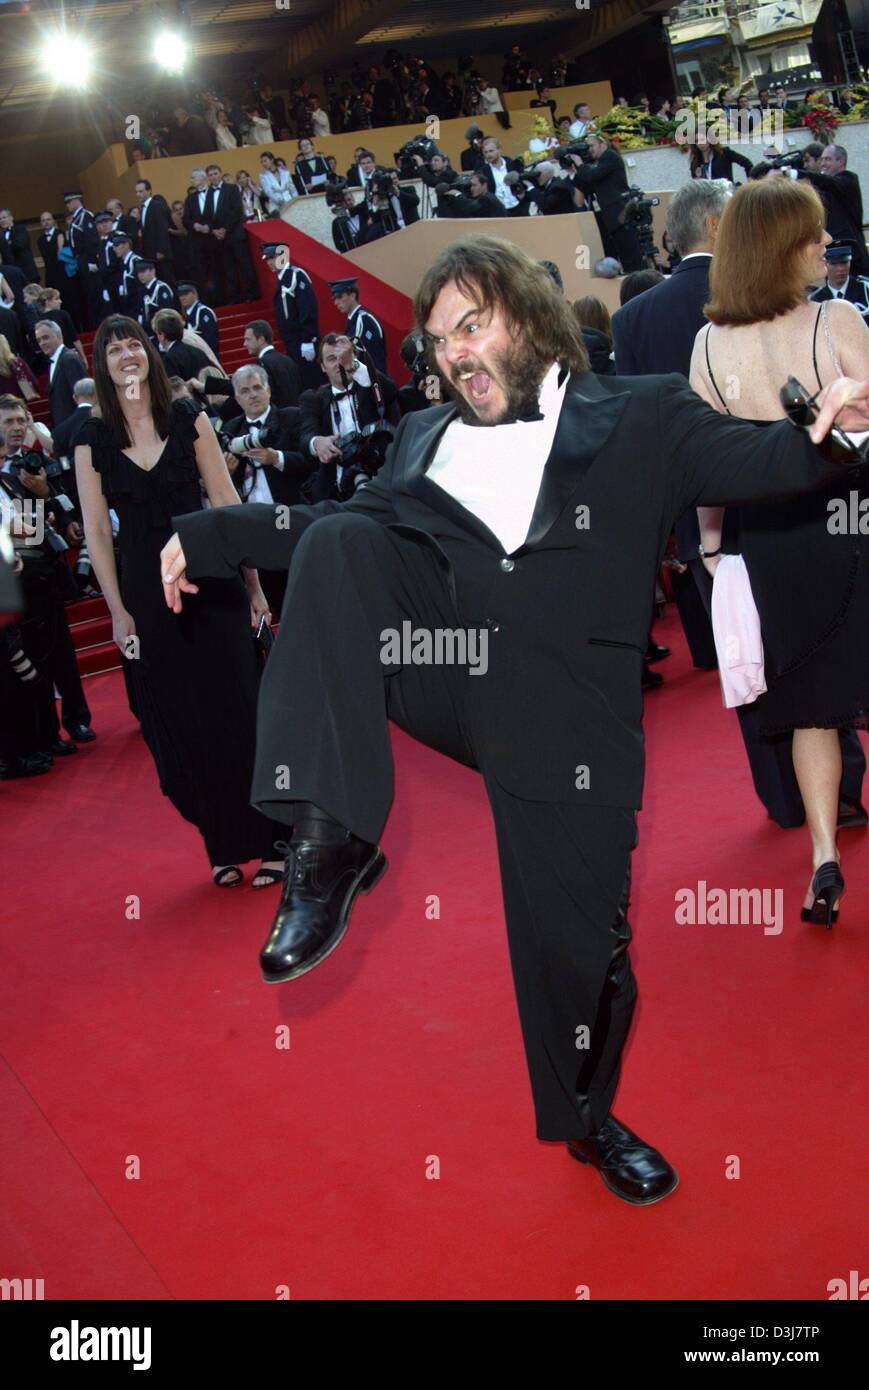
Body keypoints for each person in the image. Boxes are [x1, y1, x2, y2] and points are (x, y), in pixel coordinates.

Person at [160, 235, 869, 1203]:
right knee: (344, 539)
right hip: (448, 667)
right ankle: (327, 836)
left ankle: (586, 1119)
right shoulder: (421, 437)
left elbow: (763, 459)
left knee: (576, 948)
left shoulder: (637, 413)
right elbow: (334, 520)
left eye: (471, 325)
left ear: (527, 320)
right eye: (438, 339)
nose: (452, 353)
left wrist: (836, 431)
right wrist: (203, 535)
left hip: (568, 720)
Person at [689, 177, 869, 923]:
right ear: (780, 247)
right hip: (852, 520)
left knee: (809, 712)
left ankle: (822, 862)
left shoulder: (706, 343)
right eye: (813, 235)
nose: (826, 246)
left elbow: (702, 462)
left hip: (772, 541)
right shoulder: (836, 321)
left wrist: (707, 546)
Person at [74, 315, 285, 889]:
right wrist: (117, 612)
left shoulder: (188, 417)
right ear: (103, 365)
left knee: (239, 706)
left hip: (211, 582)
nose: (125, 356)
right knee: (180, 719)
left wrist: (254, 586)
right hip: (147, 596)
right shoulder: (91, 440)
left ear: (148, 354)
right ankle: (221, 842)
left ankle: (270, 839)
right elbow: (96, 531)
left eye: (132, 345)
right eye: (113, 349)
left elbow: (225, 500)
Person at [570, 133, 643, 272]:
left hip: (621, 216)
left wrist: (580, 163)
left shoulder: (610, 156)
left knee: (631, 257)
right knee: (623, 256)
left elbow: (591, 176)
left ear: (603, 144)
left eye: (591, 146)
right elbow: (587, 185)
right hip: (611, 219)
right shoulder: (599, 163)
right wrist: (574, 170)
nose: (589, 149)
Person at [798, 144, 869, 277]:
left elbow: (829, 182)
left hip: (853, 257)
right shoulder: (825, 187)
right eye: (822, 160)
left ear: (841, 161)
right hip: (830, 256)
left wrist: (797, 173)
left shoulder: (849, 179)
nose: (823, 164)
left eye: (828, 159)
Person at [262, 242, 320, 389]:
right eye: (267, 259)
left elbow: (307, 307)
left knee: (312, 381)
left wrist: (309, 338)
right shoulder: (283, 279)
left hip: (302, 341)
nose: (269, 262)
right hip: (293, 343)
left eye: (271, 257)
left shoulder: (296, 275)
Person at [329, 277, 387, 375]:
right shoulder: (354, 319)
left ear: (352, 295)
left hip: (374, 379)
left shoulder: (363, 319)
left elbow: (364, 356)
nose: (336, 302)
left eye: (339, 297)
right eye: (335, 298)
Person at [36, 319, 86, 426]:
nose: (42, 343)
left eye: (46, 337)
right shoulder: (54, 361)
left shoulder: (69, 359)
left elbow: (84, 397)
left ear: (58, 336)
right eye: (39, 340)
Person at [242, 320, 300, 407]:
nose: (244, 344)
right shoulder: (288, 360)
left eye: (248, 339)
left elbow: (267, 397)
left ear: (261, 340)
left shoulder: (263, 363)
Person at [809, 238, 869, 317]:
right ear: (825, 263)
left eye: (844, 262)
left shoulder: (866, 290)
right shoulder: (816, 299)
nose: (840, 268)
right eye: (834, 263)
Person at [177, 281, 219, 355]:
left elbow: (211, 340)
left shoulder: (203, 312)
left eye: (186, 294)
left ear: (194, 294)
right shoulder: (188, 314)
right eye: (180, 295)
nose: (182, 298)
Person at [0, 210, 39, 283]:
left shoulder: (20, 229)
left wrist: (8, 244)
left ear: (11, 218)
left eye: (4, 217)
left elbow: (19, 245)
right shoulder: (1, 235)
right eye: (0, 219)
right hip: (12, 274)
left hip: (26, 272)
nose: (2, 220)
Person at [689, 139, 753, 183]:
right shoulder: (695, 161)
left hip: (726, 194)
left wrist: (750, 180)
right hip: (706, 197)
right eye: (697, 141)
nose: (700, 143)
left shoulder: (724, 153)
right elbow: (696, 182)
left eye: (702, 140)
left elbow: (747, 163)